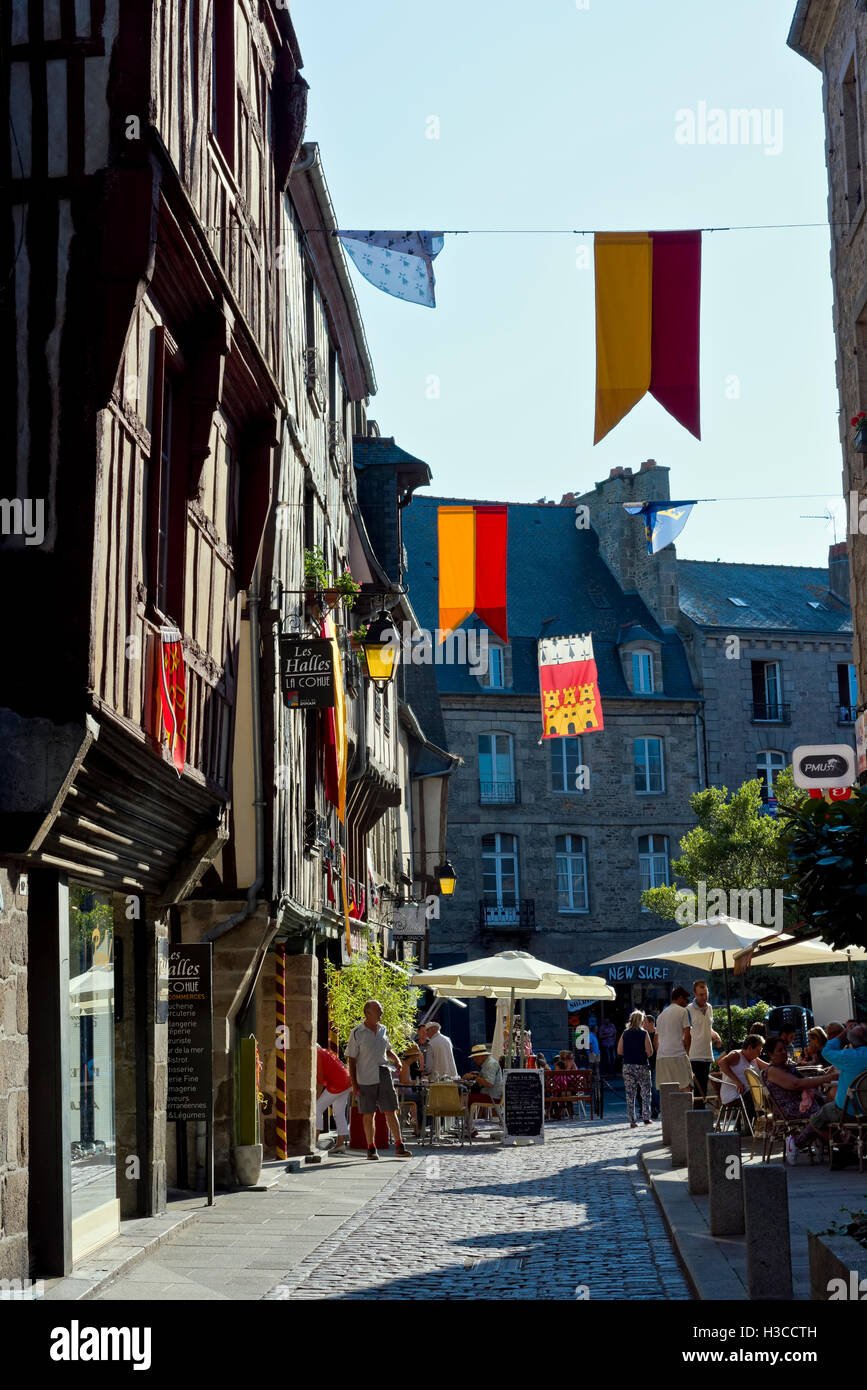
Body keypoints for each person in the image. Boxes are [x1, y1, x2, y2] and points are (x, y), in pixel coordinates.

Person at [345, 999, 413, 1160]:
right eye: (379, 1010)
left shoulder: (383, 1029)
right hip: (365, 1077)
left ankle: (399, 1145)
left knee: (391, 1110)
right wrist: (354, 1084)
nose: (381, 1012)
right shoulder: (357, 1032)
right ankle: (371, 1148)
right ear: (368, 1013)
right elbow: (351, 1060)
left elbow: (387, 1049)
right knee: (368, 1114)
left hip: (383, 1073)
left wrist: (396, 1059)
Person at [793, 1023, 867, 1153]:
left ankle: (841, 1148)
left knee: (816, 1119)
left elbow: (826, 1052)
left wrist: (843, 1033)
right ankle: (848, 1143)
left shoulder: (849, 1056)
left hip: (850, 1112)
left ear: (851, 1042)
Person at [761, 1035, 828, 1158]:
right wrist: (826, 1078)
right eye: (780, 1050)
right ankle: (797, 1142)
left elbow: (805, 1080)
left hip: (800, 1104)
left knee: (830, 1106)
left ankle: (832, 1144)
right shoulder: (772, 1071)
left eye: (784, 1049)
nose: (784, 1052)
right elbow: (796, 1084)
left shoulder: (787, 1067)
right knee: (820, 1114)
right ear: (770, 1054)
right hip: (787, 1109)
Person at [686, 980, 722, 1110]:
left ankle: (700, 1116)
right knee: (697, 1088)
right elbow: (685, 1031)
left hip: (707, 1053)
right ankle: (697, 1116)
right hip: (694, 1054)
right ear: (694, 994)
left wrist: (716, 1035)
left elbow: (707, 1027)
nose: (704, 997)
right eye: (701, 994)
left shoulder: (710, 1007)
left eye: (705, 993)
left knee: (704, 1088)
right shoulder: (688, 1009)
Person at [717, 1034, 765, 1125]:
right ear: (750, 1047)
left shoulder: (754, 1059)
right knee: (755, 1096)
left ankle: (764, 1125)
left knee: (766, 1094)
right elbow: (722, 1063)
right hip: (734, 1094)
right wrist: (737, 1081)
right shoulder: (737, 1055)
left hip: (747, 1093)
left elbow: (768, 1067)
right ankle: (754, 1127)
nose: (759, 1054)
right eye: (758, 1050)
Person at [617, 1010, 654, 1127]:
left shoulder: (625, 1033)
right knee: (646, 1092)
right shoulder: (644, 1034)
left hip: (628, 1066)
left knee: (630, 1094)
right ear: (641, 1021)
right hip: (642, 1065)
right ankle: (646, 1117)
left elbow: (619, 1051)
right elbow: (650, 1052)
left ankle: (632, 1120)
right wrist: (641, 1054)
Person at [655, 986, 693, 1093]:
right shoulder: (683, 1011)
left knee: (667, 1092)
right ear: (680, 997)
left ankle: (669, 1111)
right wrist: (687, 1053)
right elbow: (687, 1035)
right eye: (686, 999)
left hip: (662, 1057)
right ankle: (686, 1110)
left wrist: (662, 1050)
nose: (687, 1003)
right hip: (678, 1055)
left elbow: (656, 1039)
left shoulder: (661, 1015)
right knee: (686, 1088)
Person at [315, 1044, 353, 1152]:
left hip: (337, 1083)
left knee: (317, 1108)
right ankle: (340, 1144)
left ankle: (314, 1142)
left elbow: (320, 1081)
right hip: (347, 1081)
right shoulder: (325, 1052)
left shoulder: (318, 1054)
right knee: (339, 1112)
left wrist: (316, 1098)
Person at [462, 1043, 504, 1138]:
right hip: (490, 1094)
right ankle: (469, 1127)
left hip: (492, 1096)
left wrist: (474, 1077)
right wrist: (476, 1075)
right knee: (467, 1097)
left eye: (476, 1058)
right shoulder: (488, 1063)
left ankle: (469, 1128)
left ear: (482, 1056)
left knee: (466, 1098)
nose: (475, 1060)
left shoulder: (490, 1064)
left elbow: (489, 1083)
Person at [398, 1043, 427, 1138]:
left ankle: (419, 1126)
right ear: (413, 1056)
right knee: (421, 1098)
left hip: (405, 1093)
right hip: (403, 1095)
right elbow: (404, 1081)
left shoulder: (406, 1064)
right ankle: (419, 1127)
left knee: (422, 1097)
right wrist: (417, 1082)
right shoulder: (405, 1065)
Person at [642, 1013, 660, 1118]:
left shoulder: (659, 1033)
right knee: (648, 1088)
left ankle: (655, 1108)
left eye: (645, 1022)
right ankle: (651, 1108)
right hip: (646, 1064)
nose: (643, 1025)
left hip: (657, 1063)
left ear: (652, 1023)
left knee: (654, 1087)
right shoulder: (644, 1034)